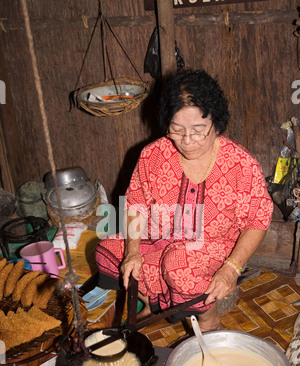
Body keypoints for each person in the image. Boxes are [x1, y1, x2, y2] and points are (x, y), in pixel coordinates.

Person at [95, 69, 273, 331]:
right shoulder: (152, 155)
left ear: (217, 123)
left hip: (215, 245)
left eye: (199, 130)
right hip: (161, 237)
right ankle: (154, 303)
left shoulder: (240, 164)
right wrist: (133, 251)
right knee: (108, 251)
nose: (187, 141)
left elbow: (258, 220)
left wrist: (231, 269)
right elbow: (136, 204)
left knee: (179, 265)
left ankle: (209, 319)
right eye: (176, 130)